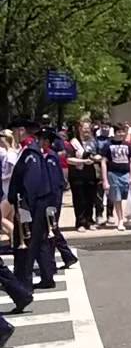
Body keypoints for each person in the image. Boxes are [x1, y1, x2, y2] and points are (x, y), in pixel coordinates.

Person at [7, 120, 55, 288]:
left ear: (21, 130)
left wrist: (24, 209)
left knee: (26, 246)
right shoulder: (29, 150)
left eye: (14, 132)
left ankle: (23, 284)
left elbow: (31, 183)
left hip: (31, 206)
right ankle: (47, 277)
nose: (13, 135)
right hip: (35, 205)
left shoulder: (30, 153)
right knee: (39, 242)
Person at [40, 129, 77, 269]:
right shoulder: (47, 156)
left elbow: (55, 182)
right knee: (50, 228)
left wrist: (50, 202)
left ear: (48, 142)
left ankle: (56, 259)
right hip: (50, 197)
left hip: (52, 198)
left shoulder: (50, 157)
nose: (40, 142)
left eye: (43, 140)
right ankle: (66, 256)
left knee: (50, 228)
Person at [102, 123, 131, 232]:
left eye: (123, 131)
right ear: (115, 132)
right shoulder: (108, 145)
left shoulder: (127, 145)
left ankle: (129, 218)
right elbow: (103, 162)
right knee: (117, 198)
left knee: (128, 198)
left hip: (126, 174)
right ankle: (120, 220)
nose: (121, 134)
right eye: (119, 132)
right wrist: (105, 180)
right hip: (113, 174)